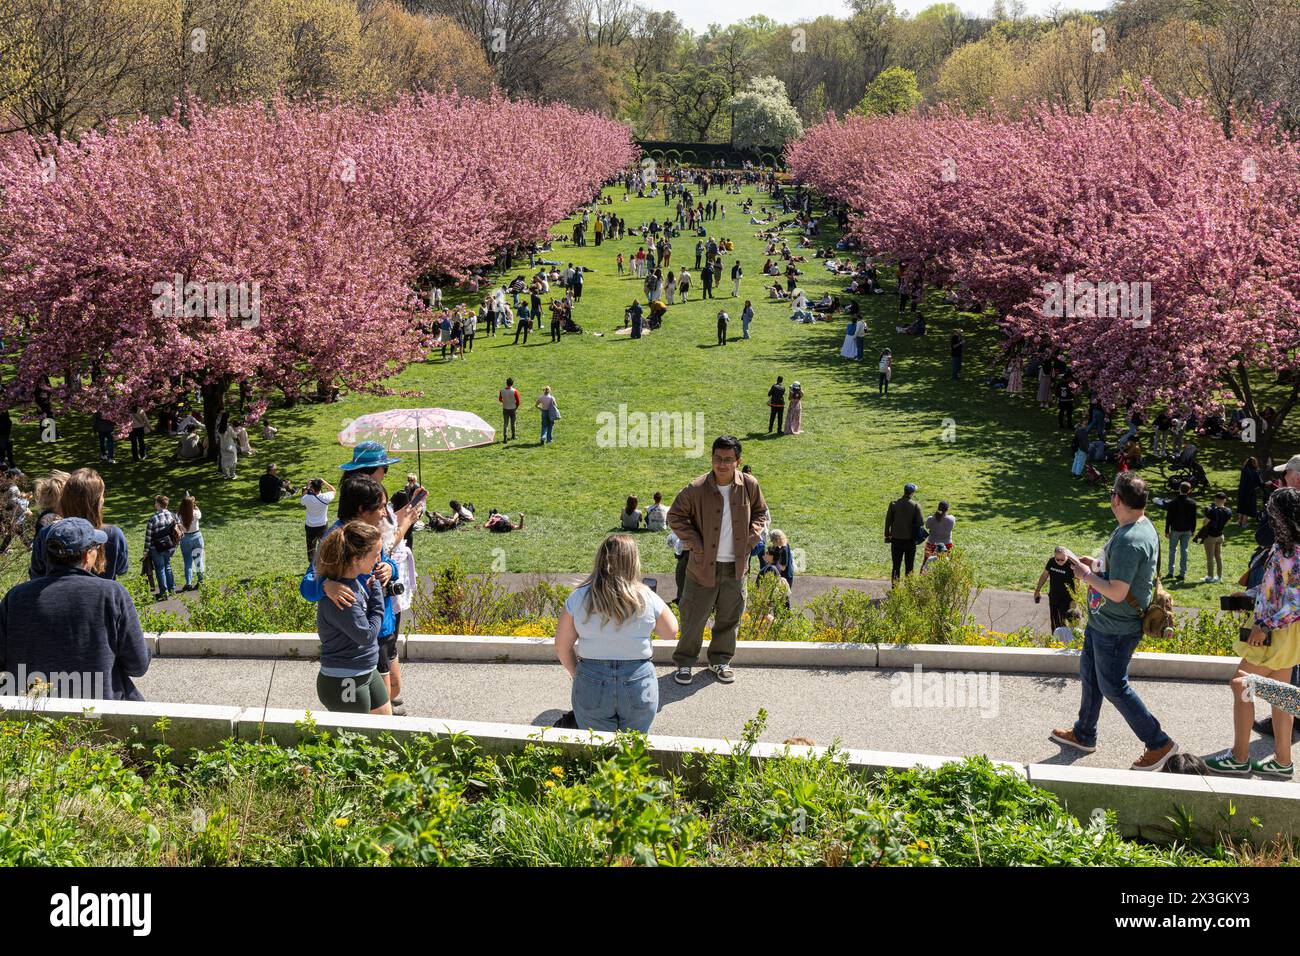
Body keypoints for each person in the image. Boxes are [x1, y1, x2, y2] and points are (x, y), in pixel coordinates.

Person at [1050, 472, 1179, 771]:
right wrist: (1094, 565)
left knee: (1114, 687)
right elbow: (1123, 574)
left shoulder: (1130, 539)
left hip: (1117, 627)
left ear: (1117, 500)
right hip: (1103, 622)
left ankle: (1159, 742)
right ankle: (1084, 734)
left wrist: (1085, 576)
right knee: (1091, 676)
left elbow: (1118, 592)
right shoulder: (1139, 526)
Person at [0, 518, 150, 701]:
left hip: (30, 714)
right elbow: (138, 665)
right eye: (95, 547)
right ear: (88, 555)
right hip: (97, 714)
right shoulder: (111, 594)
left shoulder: (15, 597)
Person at [1205, 488, 1300, 778]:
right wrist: (1248, 594)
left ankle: (1239, 756)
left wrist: (1264, 625)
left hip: (1275, 633)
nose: (1268, 519)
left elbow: (1297, 601)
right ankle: (1283, 762)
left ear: (1283, 517)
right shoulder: (1283, 546)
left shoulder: (1292, 552)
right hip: (1288, 634)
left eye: (1272, 513)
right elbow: (1276, 589)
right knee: (1279, 697)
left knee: (1240, 683)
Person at [668, 435, 768, 686]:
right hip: (702, 567)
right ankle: (684, 664)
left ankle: (720, 660)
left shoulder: (749, 485)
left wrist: (752, 537)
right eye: (717, 459)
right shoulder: (697, 488)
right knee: (693, 619)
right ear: (711, 458)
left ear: (737, 461)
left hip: (736, 568)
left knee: (729, 618)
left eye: (727, 460)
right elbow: (675, 516)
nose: (722, 464)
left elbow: (761, 512)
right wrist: (695, 543)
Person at [554, 535, 678, 733]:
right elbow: (670, 632)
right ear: (633, 562)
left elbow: (561, 646)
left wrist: (577, 673)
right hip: (639, 680)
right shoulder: (646, 596)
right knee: (632, 751)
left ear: (600, 559)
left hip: (591, 678)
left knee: (598, 750)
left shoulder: (579, 596)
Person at [312, 521, 391, 715]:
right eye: (375, 555)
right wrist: (378, 596)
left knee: (386, 727)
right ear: (357, 558)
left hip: (366, 670)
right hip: (344, 679)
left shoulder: (353, 582)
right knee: (356, 740)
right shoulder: (343, 596)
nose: (379, 559)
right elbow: (366, 635)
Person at [29, 468, 129, 581]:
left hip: (55, 596)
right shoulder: (113, 535)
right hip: (102, 597)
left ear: (64, 499)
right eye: (102, 495)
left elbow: (36, 574)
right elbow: (122, 569)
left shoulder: (47, 534)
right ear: (98, 503)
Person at [144, 494, 181, 600]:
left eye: (155, 502)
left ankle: (164, 593)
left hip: (156, 548)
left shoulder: (152, 519)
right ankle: (172, 589)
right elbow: (178, 531)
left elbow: (148, 537)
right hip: (169, 546)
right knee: (168, 566)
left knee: (160, 569)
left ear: (158, 504)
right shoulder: (173, 516)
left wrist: (146, 551)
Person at [885, 483, 923, 582]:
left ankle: (895, 590)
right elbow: (920, 522)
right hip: (910, 541)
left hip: (896, 540)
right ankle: (908, 590)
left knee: (896, 566)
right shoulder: (915, 506)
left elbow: (888, 520)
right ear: (912, 493)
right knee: (909, 567)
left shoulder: (893, 504)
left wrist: (887, 534)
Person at [1034, 546, 1078, 632]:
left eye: (1062, 559)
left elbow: (1077, 582)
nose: (1060, 562)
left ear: (1067, 556)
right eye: (1057, 559)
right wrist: (1037, 590)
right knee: (1054, 620)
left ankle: (1067, 642)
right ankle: (1055, 640)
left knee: (1066, 620)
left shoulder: (1072, 565)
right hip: (1054, 596)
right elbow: (1044, 575)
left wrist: (1075, 599)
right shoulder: (1051, 562)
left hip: (1068, 598)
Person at [1164, 481, 1197, 581]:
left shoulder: (1173, 502)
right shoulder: (1192, 503)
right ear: (1189, 490)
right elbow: (1193, 518)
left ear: (1179, 489)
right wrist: (1193, 530)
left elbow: (1168, 518)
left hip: (1175, 529)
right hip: (1187, 530)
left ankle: (1170, 572)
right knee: (1184, 551)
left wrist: (1166, 530)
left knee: (1172, 551)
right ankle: (1182, 573)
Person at [1197, 492, 1233, 583]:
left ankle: (1210, 576)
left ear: (1215, 500)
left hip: (1211, 536)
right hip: (1220, 536)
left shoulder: (1212, 511)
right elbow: (1228, 522)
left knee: (1210, 557)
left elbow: (1205, 523)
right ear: (1225, 500)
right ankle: (1219, 576)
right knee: (1218, 556)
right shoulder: (1228, 511)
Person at [302, 477, 337, 562]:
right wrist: (324, 481)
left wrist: (307, 486)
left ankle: (312, 564)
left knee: (311, 547)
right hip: (322, 525)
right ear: (320, 487)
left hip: (310, 525)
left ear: (312, 488)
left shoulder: (306, 498)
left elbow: (302, 499)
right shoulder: (325, 497)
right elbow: (333, 490)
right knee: (324, 545)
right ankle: (324, 562)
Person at [177, 494, 204, 591]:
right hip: (197, 537)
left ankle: (188, 583)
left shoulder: (179, 515)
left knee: (187, 562)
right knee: (198, 561)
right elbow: (198, 511)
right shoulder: (196, 513)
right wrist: (194, 504)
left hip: (186, 539)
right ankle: (201, 581)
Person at [921, 500, 955, 572]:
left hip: (932, 544)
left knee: (926, 565)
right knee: (947, 565)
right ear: (947, 509)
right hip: (947, 544)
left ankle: (922, 581)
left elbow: (927, 526)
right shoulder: (951, 519)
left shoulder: (931, 519)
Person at [1238, 457, 1263, 526]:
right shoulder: (1255, 472)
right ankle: (1244, 523)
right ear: (1254, 463)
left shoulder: (1243, 470)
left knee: (1241, 506)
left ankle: (1239, 521)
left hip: (1242, 491)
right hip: (1250, 491)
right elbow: (1259, 482)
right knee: (1248, 507)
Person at [216, 412, 238, 479]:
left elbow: (218, 435)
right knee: (233, 460)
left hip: (222, 445)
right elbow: (234, 436)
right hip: (230, 445)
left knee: (224, 460)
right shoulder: (229, 427)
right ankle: (232, 475)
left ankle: (225, 475)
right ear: (228, 418)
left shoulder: (219, 426)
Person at [499, 377, 520, 444]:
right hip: (513, 408)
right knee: (513, 423)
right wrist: (516, 407)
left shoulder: (502, 391)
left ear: (506, 383)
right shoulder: (514, 391)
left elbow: (500, 399)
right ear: (512, 383)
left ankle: (505, 436)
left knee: (505, 424)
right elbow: (518, 401)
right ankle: (513, 435)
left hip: (505, 408)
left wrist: (504, 402)